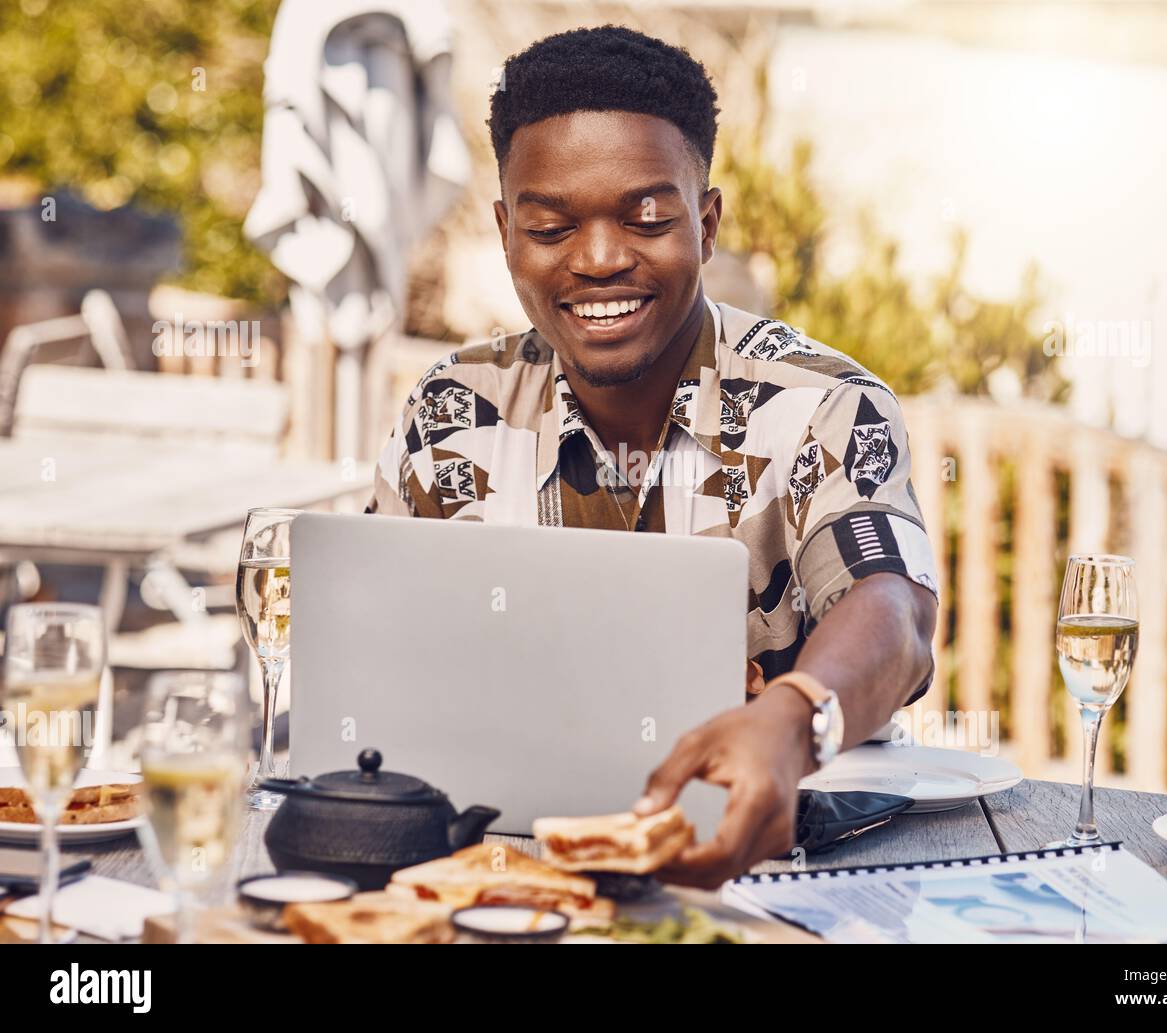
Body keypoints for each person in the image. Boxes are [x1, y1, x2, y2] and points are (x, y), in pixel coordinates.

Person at [366, 25, 938, 887]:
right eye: (552, 225)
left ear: (707, 224)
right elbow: (378, 644)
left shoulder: (822, 405)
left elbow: (894, 613)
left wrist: (791, 721)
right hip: (499, 877)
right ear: (507, 233)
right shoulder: (451, 409)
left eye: (647, 218)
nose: (599, 259)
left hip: (779, 874)